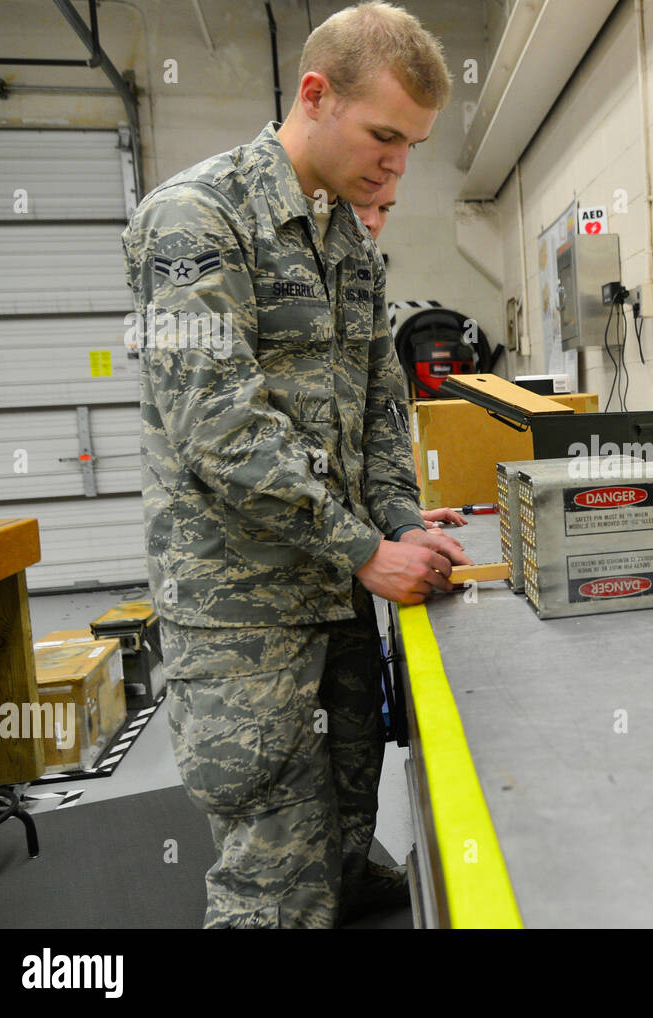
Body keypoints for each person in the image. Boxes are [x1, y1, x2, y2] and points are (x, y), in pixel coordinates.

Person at [121, 1, 471, 929]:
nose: (397, 166)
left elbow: (379, 400)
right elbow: (219, 424)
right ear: (315, 96)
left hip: (339, 592)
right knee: (273, 870)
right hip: (245, 614)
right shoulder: (194, 221)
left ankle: (342, 885)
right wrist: (364, 547)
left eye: (414, 147)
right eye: (385, 135)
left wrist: (398, 518)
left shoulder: (349, 239)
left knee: (350, 819)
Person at [353, 173, 465, 530]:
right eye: (361, 206)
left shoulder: (366, 269)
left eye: (384, 208)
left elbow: (381, 406)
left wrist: (398, 516)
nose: (373, 221)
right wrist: (367, 540)